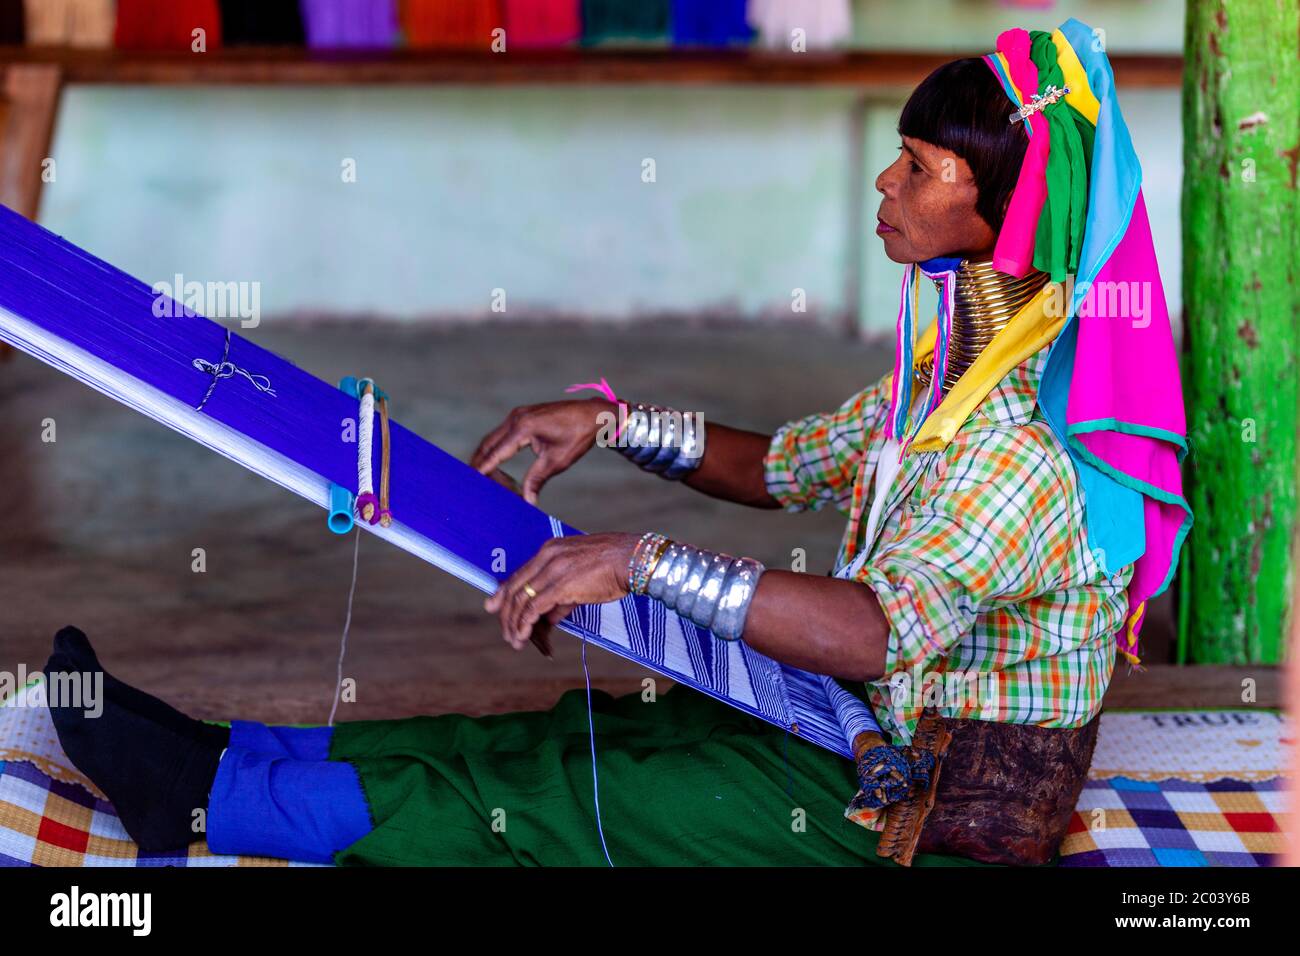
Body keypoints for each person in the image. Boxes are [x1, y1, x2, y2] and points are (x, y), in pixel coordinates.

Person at [45, 19, 1189, 867]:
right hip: (871, 730)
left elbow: (872, 631)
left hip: (922, 816)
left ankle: (214, 806)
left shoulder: (1021, 447)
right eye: (898, 152)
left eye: (922, 168)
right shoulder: (953, 378)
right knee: (569, 734)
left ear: (1008, 214)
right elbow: (786, 463)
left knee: (562, 804)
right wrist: (615, 421)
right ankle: (213, 750)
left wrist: (639, 561)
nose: (885, 180)